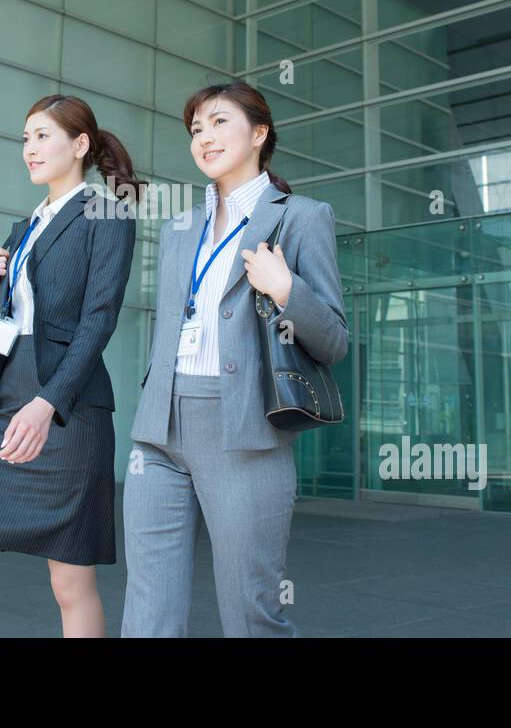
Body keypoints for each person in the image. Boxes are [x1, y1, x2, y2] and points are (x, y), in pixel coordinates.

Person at [121, 80, 348, 637]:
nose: (205, 137)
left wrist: (287, 289)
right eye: (197, 128)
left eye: (220, 122)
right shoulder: (180, 228)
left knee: (251, 611)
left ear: (260, 133)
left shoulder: (302, 217)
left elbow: (335, 340)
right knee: (147, 605)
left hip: (244, 430)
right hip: (159, 431)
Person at [0, 94, 140, 638]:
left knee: (69, 583)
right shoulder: (23, 228)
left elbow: (99, 321)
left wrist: (48, 401)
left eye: (42, 136)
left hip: (68, 412)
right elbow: (3, 331)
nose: (29, 148)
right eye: (25, 137)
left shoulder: (106, 213)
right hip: (11, 405)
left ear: (80, 145)